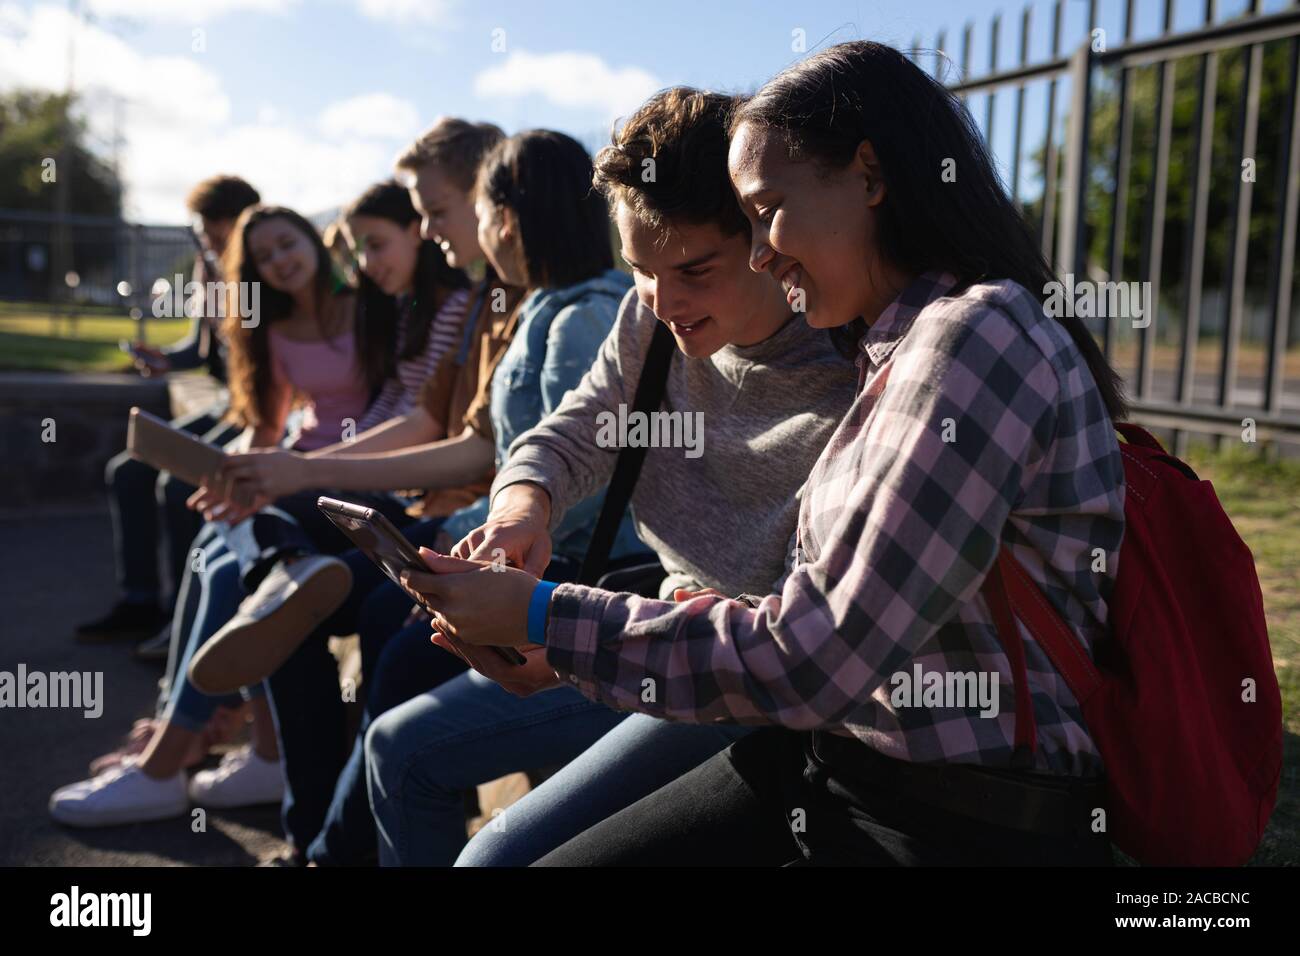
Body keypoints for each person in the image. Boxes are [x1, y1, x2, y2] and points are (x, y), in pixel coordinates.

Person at [403, 42, 1129, 867]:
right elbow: (584, 427)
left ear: (869, 175)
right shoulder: (890, 338)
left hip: (943, 800)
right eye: (642, 271)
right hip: (824, 740)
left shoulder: (959, 340)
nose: (760, 254)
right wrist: (523, 511)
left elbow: (811, 654)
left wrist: (547, 621)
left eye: (766, 214)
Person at [363, 89, 859, 867]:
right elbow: (568, 432)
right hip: (646, 628)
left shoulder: (847, 365)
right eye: (641, 268)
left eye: (695, 267)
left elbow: (793, 644)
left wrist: (559, 637)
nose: (665, 300)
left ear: (764, 237)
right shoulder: (648, 316)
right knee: (399, 745)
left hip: (746, 686)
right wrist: (523, 506)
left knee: (492, 854)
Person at [194, 128, 641, 866]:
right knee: (334, 578)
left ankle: (333, 849)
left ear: (505, 215)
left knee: (396, 647)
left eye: (443, 212)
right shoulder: (533, 308)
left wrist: (476, 537)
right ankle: (291, 581)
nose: (433, 229)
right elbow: (510, 451)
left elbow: (575, 474)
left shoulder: (582, 313)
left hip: (564, 563)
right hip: (496, 533)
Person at [49, 201, 425, 825]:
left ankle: (169, 763)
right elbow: (265, 427)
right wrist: (235, 474)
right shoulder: (271, 330)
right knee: (212, 538)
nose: (280, 261)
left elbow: (410, 415)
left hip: (352, 476)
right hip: (292, 469)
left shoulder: (374, 305)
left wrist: (281, 474)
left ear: (312, 239)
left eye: (286, 244)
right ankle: (253, 747)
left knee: (228, 568)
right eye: (263, 258)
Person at [77, 175, 259, 654]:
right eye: (203, 231)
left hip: (253, 409)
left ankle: (187, 622)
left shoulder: (262, 268)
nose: (208, 240)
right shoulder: (209, 267)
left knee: (179, 483)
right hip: (224, 400)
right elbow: (203, 350)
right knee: (128, 470)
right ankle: (140, 602)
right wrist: (163, 359)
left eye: (216, 230)